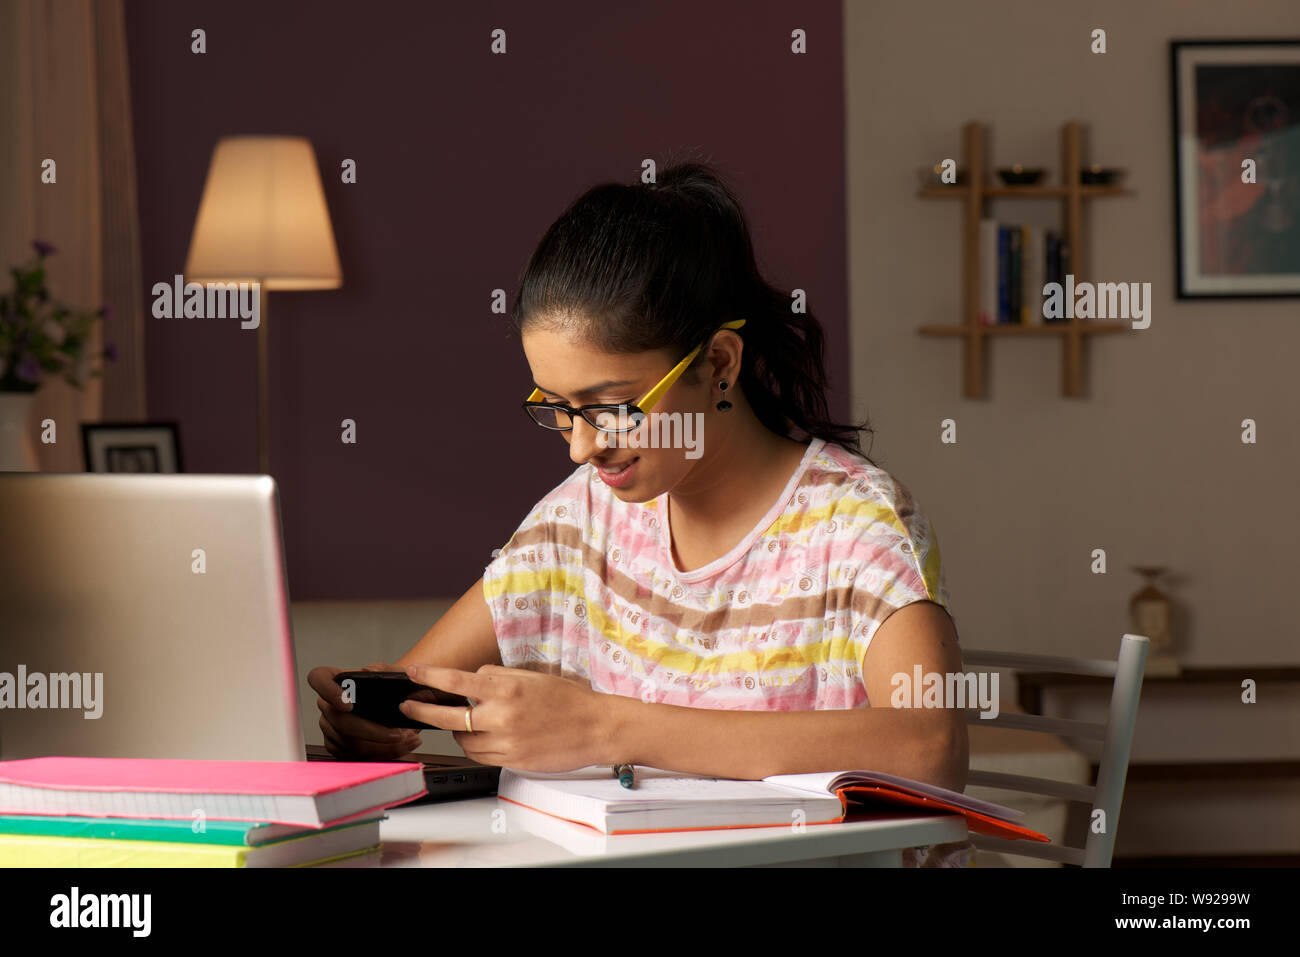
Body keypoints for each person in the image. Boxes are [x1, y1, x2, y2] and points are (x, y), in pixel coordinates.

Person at [309, 162, 974, 867]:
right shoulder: (579, 522)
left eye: (610, 407)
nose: (581, 446)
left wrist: (605, 727)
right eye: (560, 410)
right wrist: (368, 719)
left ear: (718, 362)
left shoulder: (857, 523)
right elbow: (421, 683)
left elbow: (929, 747)